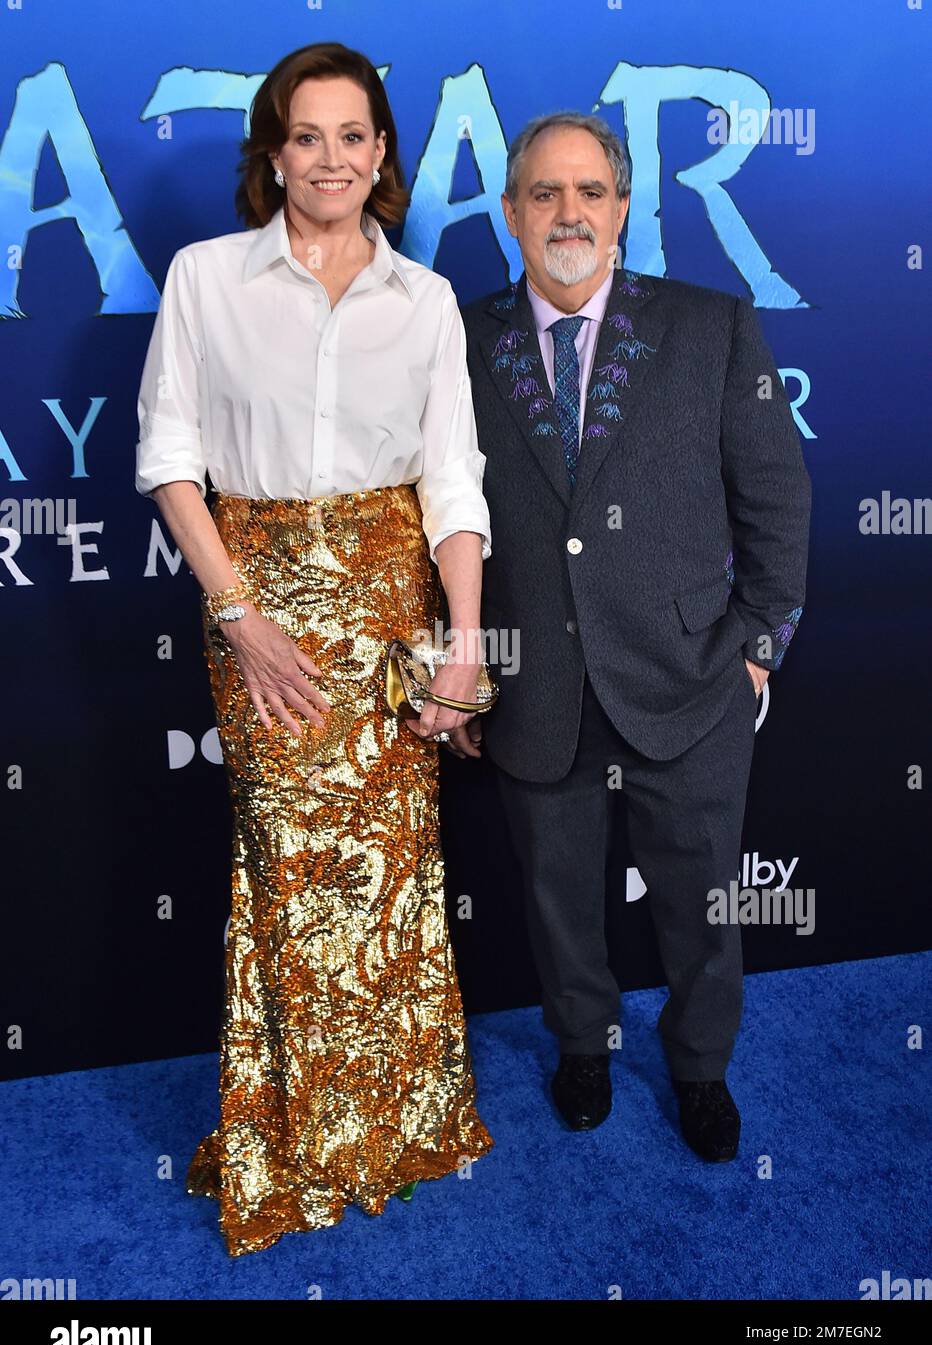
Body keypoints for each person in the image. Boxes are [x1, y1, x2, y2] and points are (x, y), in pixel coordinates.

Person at [134, 42, 493, 1257]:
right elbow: (171, 458)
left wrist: (458, 647)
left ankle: (395, 1123)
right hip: (259, 602)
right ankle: (288, 1138)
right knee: (289, 870)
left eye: (353, 135)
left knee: (395, 870)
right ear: (272, 152)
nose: (329, 158)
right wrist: (240, 613)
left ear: (381, 153)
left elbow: (451, 486)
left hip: (393, 602)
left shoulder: (425, 299)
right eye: (306, 135)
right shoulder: (205, 280)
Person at [455, 111, 811, 1160]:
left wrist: (757, 645)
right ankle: (580, 1045)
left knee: (701, 906)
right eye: (544, 194)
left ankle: (698, 1067)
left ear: (622, 209)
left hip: (688, 677)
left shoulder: (711, 326)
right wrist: (458, 665)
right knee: (557, 898)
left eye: (591, 192)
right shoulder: (457, 338)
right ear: (512, 210)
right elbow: (424, 514)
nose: (569, 213)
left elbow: (776, 502)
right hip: (534, 688)